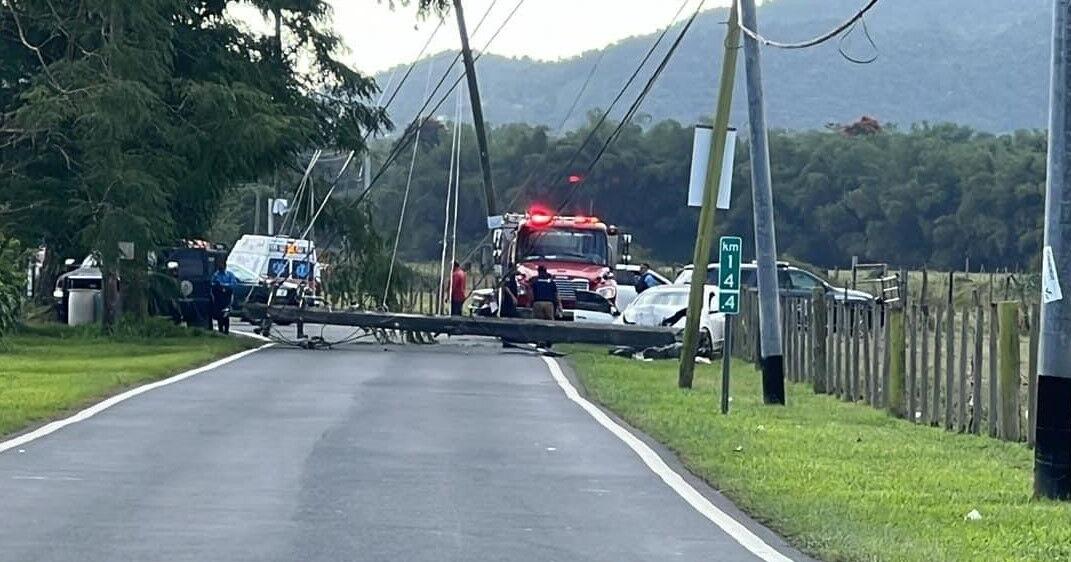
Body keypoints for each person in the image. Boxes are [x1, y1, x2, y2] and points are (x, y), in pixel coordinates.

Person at [210, 258, 238, 334]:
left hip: (227, 297)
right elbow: (213, 284)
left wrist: (225, 285)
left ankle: (226, 330)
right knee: (219, 314)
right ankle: (220, 330)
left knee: (226, 313)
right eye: (220, 265)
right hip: (219, 297)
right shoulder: (216, 275)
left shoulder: (229, 275)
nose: (221, 266)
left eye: (222, 265)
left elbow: (234, 284)